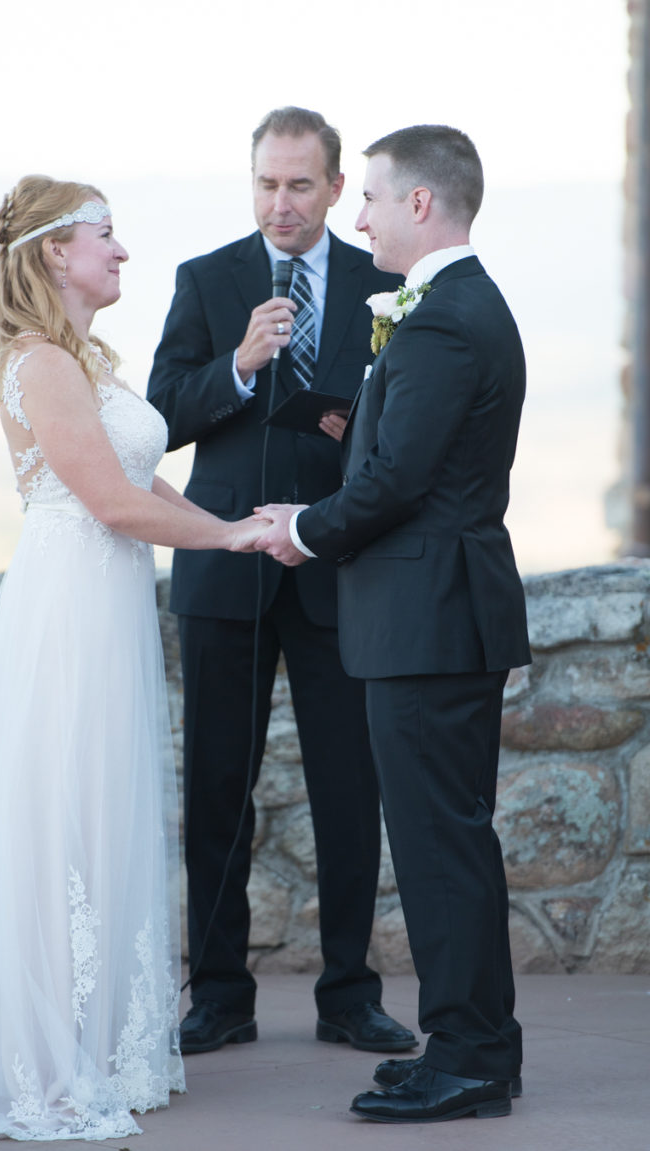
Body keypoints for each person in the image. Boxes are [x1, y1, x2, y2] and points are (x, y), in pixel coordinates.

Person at [0, 176, 262, 1141]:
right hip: (67, 610)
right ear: (57, 252)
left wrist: (240, 523)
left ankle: (98, 1035)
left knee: (101, 804)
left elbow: (150, 477)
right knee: (57, 811)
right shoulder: (41, 364)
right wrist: (230, 540)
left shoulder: (86, 359)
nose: (123, 251)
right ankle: (39, 1056)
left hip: (107, 604)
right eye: (108, 234)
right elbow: (110, 503)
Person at [255, 124, 531, 1124]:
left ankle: (469, 1055)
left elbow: (399, 481)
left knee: (439, 842)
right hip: (426, 614)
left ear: (423, 202)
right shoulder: (443, 310)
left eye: (368, 195)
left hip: (431, 616)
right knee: (441, 839)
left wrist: (305, 531)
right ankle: (472, 1043)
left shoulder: (446, 319)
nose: (355, 214)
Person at [147, 106, 416, 1057]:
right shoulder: (206, 279)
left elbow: (408, 415)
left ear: (338, 189)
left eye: (301, 185)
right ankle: (218, 994)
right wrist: (238, 363)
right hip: (226, 566)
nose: (281, 202)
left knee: (353, 790)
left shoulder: (383, 282)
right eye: (266, 182)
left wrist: (358, 427)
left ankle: (351, 994)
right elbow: (161, 415)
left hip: (340, 568)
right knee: (219, 785)